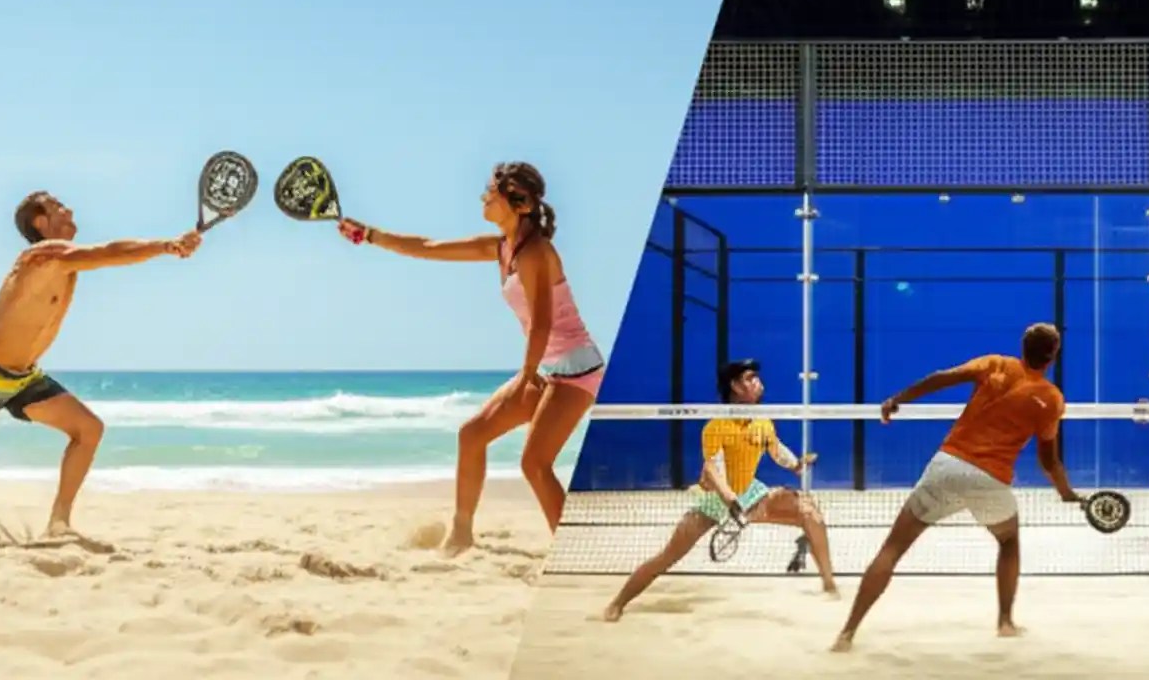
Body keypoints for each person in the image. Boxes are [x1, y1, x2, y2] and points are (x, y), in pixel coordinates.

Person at [336, 162, 604, 557]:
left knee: (534, 464)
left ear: (521, 204)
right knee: (472, 435)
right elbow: (428, 247)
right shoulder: (501, 248)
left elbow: (542, 323)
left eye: (492, 193)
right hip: (546, 370)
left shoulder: (535, 252)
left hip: (577, 371)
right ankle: (461, 534)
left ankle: (576, 553)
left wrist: (526, 375)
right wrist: (370, 235)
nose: (484, 197)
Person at [0, 191, 201, 537]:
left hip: (22, 378)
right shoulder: (42, 255)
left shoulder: (67, 264)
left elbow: (102, 255)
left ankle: (58, 524)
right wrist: (166, 246)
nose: (69, 209)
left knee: (89, 430)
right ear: (41, 222)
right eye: (57, 206)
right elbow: (108, 252)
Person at [831, 323, 1082, 653]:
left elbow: (940, 378)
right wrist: (1066, 493)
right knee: (1008, 542)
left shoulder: (995, 364)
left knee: (891, 549)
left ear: (1023, 347)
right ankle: (1005, 622)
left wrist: (898, 399)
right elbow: (1049, 460)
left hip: (946, 466)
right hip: (991, 481)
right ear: (1053, 357)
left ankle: (847, 633)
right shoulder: (1051, 399)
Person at [603, 358, 839, 622]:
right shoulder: (716, 427)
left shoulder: (763, 422)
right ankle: (618, 603)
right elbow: (713, 469)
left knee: (808, 511)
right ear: (735, 386)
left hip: (750, 492)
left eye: (757, 377)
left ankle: (829, 584)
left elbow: (776, 449)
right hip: (715, 500)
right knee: (668, 556)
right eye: (750, 378)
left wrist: (795, 465)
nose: (758, 383)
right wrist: (729, 499)